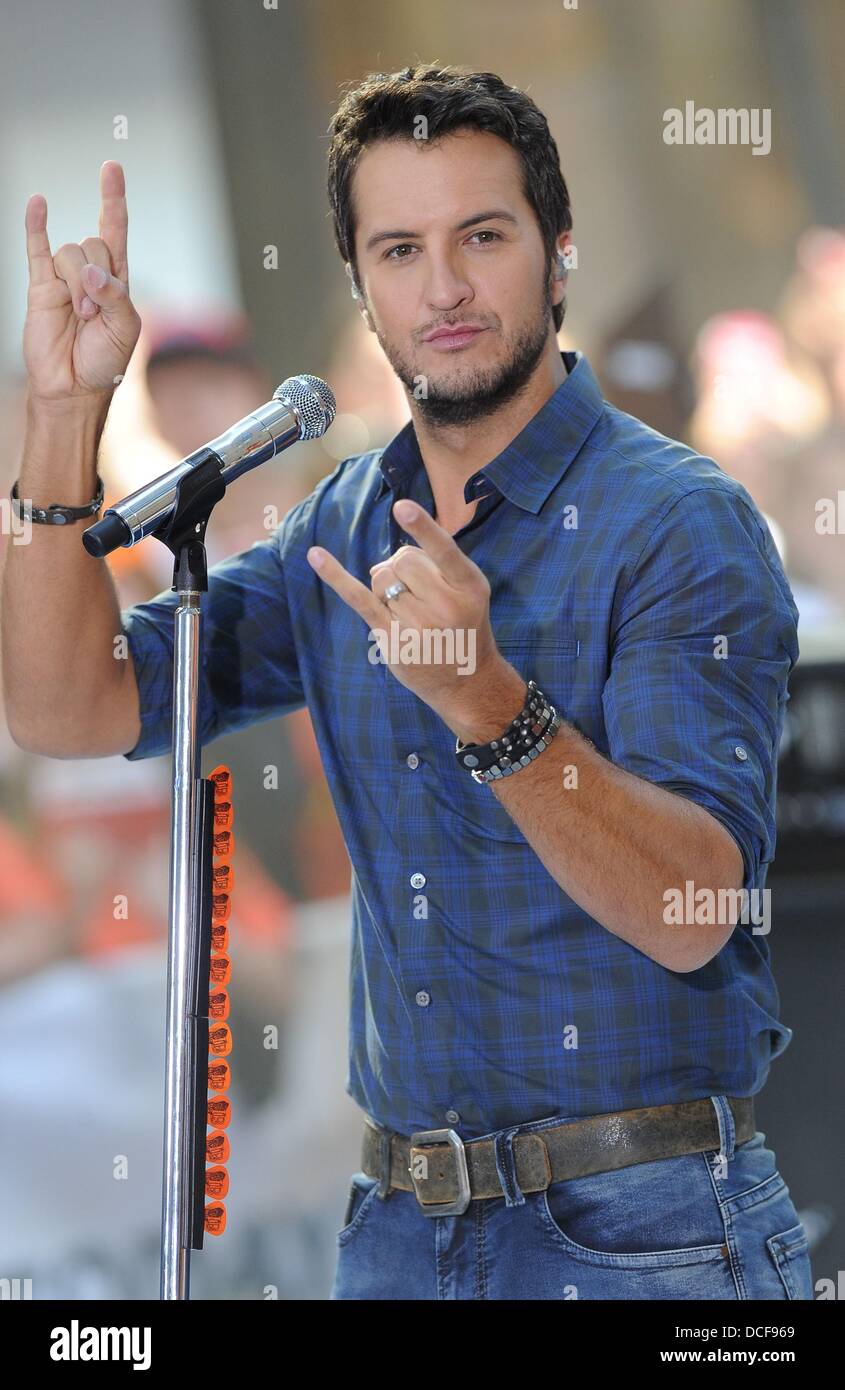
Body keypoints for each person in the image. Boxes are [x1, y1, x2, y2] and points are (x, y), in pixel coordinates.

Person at [2, 64, 812, 1302]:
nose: (440, 288)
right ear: (358, 285)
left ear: (557, 252)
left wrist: (487, 702)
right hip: (398, 1228)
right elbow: (69, 709)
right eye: (397, 249)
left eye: (480, 236)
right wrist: (62, 414)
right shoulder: (342, 520)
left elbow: (692, 907)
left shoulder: (676, 523)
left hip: (644, 1232)